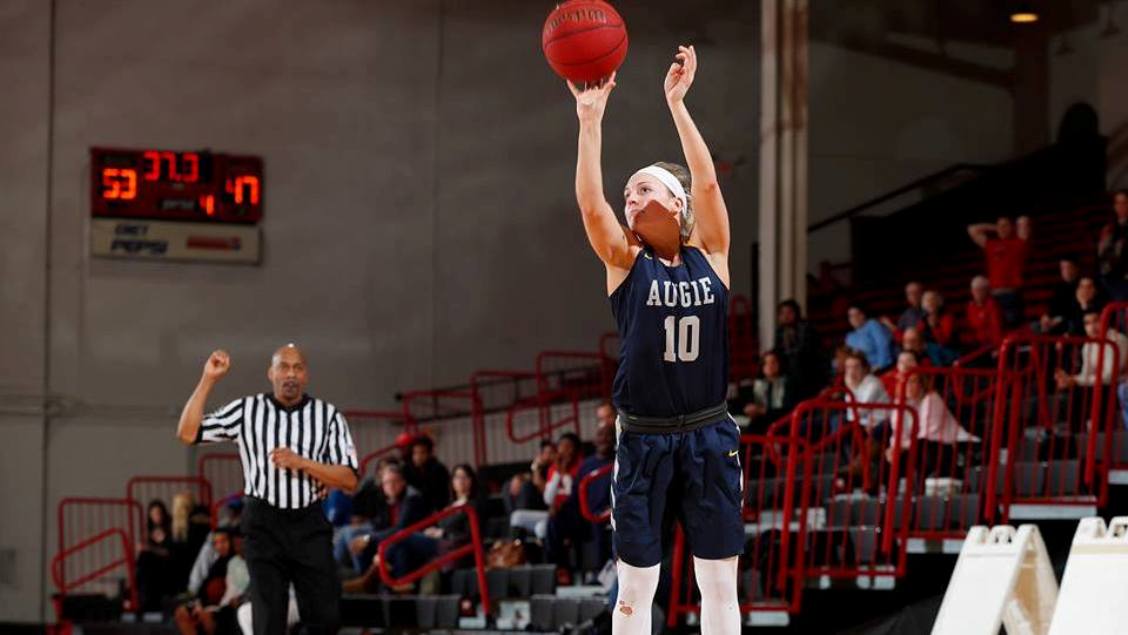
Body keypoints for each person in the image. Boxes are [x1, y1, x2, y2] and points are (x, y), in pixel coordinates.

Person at [569, 44, 741, 634]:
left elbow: (711, 185)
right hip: (642, 438)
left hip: (708, 431)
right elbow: (593, 210)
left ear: (677, 202)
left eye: (644, 190)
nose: (631, 199)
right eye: (629, 195)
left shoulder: (712, 255)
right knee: (633, 590)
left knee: (719, 585)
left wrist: (676, 103)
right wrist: (590, 123)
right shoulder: (625, 262)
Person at [176, 345, 359, 635]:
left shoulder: (328, 416)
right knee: (267, 620)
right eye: (284, 367)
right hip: (263, 524)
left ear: (306, 375)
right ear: (271, 373)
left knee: (326, 618)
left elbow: (349, 478)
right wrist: (208, 379)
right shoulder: (247, 410)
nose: (290, 374)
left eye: (297, 367)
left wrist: (302, 463)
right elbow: (187, 433)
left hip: (310, 523)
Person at [967, 216, 1030, 327]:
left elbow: (1024, 222)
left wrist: (1010, 228)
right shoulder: (991, 245)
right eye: (999, 225)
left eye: (1005, 225)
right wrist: (995, 228)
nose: (1002, 228)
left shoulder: (1018, 243)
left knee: (1014, 327)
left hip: (1012, 294)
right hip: (994, 296)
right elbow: (972, 229)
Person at [774, 299, 826, 399]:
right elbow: (778, 350)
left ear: (796, 313)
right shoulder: (779, 331)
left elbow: (805, 349)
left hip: (807, 366)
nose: (785, 316)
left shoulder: (805, 327)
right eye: (782, 313)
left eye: (789, 312)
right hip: (788, 367)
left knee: (795, 361)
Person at [402, 435, 451, 514]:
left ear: (429, 453)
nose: (418, 456)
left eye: (422, 453)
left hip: (434, 510)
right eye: (415, 453)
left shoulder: (439, 470)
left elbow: (443, 494)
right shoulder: (406, 470)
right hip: (412, 510)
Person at [845, 304, 894, 371]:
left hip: (880, 367)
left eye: (857, 314)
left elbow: (882, 344)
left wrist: (880, 365)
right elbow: (850, 356)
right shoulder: (850, 337)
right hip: (862, 372)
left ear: (863, 315)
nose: (854, 318)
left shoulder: (872, 325)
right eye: (851, 316)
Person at [1098, 190, 1128, 300]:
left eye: (1124, 202)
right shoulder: (1108, 229)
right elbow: (1102, 253)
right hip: (1110, 275)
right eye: (1118, 203)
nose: (1121, 206)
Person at [964, 276, 1004, 351]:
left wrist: (997, 347)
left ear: (986, 291)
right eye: (974, 290)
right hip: (977, 344)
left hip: (990, 344)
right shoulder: (970, 307)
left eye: (979, 290)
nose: (976, 293)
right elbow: (970, 328)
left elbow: (997, 328)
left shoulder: (993, 305)